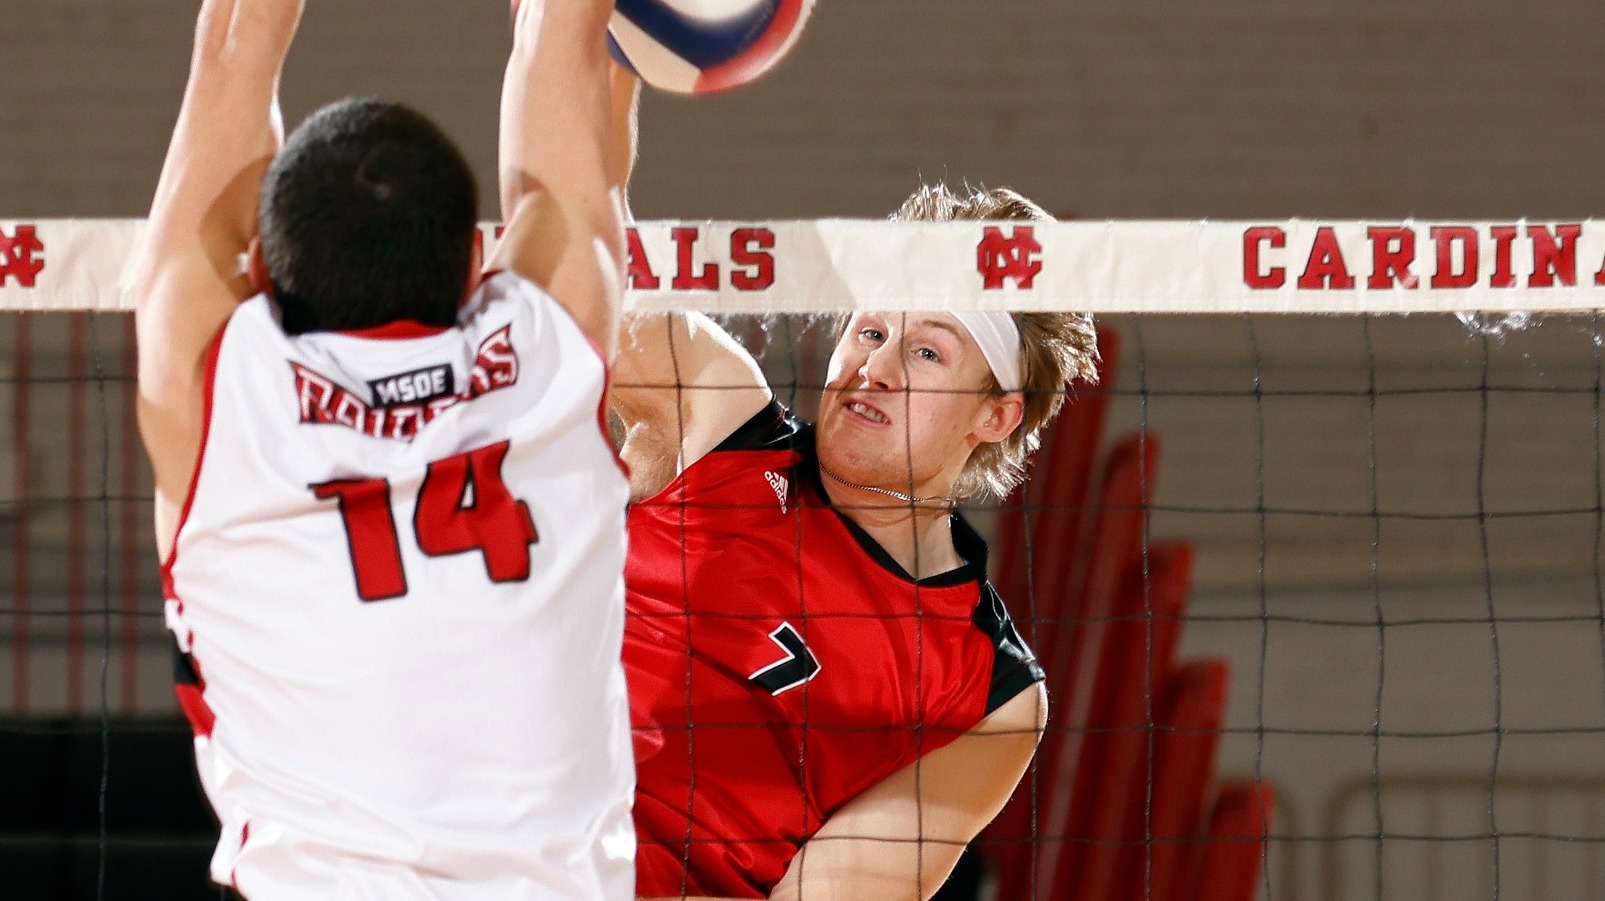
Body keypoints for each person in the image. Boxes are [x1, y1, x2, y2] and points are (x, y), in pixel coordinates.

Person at [129, 0, 633, 897]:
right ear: (476, 263)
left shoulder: (216, 395)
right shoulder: (553, 357)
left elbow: (231, 53)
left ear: (261, 266)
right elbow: (562, 42)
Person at [611, 83, 1099, 901]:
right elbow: (581, 252)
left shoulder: (988, 693)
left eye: (927, 352)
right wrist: (584, 53)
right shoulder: (717, 416)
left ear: (995, 415)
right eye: (870, 330)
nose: (873, 366)